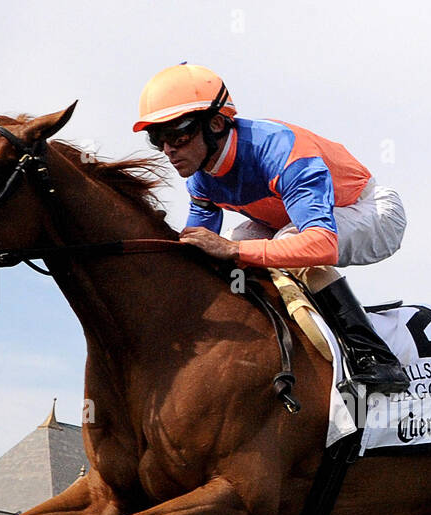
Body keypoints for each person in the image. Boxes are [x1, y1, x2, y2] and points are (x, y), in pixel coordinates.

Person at [133, 63, 410, 394]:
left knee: (273, 244)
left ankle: (375, 358)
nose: (168, 150)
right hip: (291, 222)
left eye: (178, 135)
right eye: (158, 139)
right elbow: (197, 253)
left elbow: (320, 244)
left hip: (371, 210)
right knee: (234, 245)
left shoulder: (280, 150)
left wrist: (234, 251)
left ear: (217, 124)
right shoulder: (200, 179)